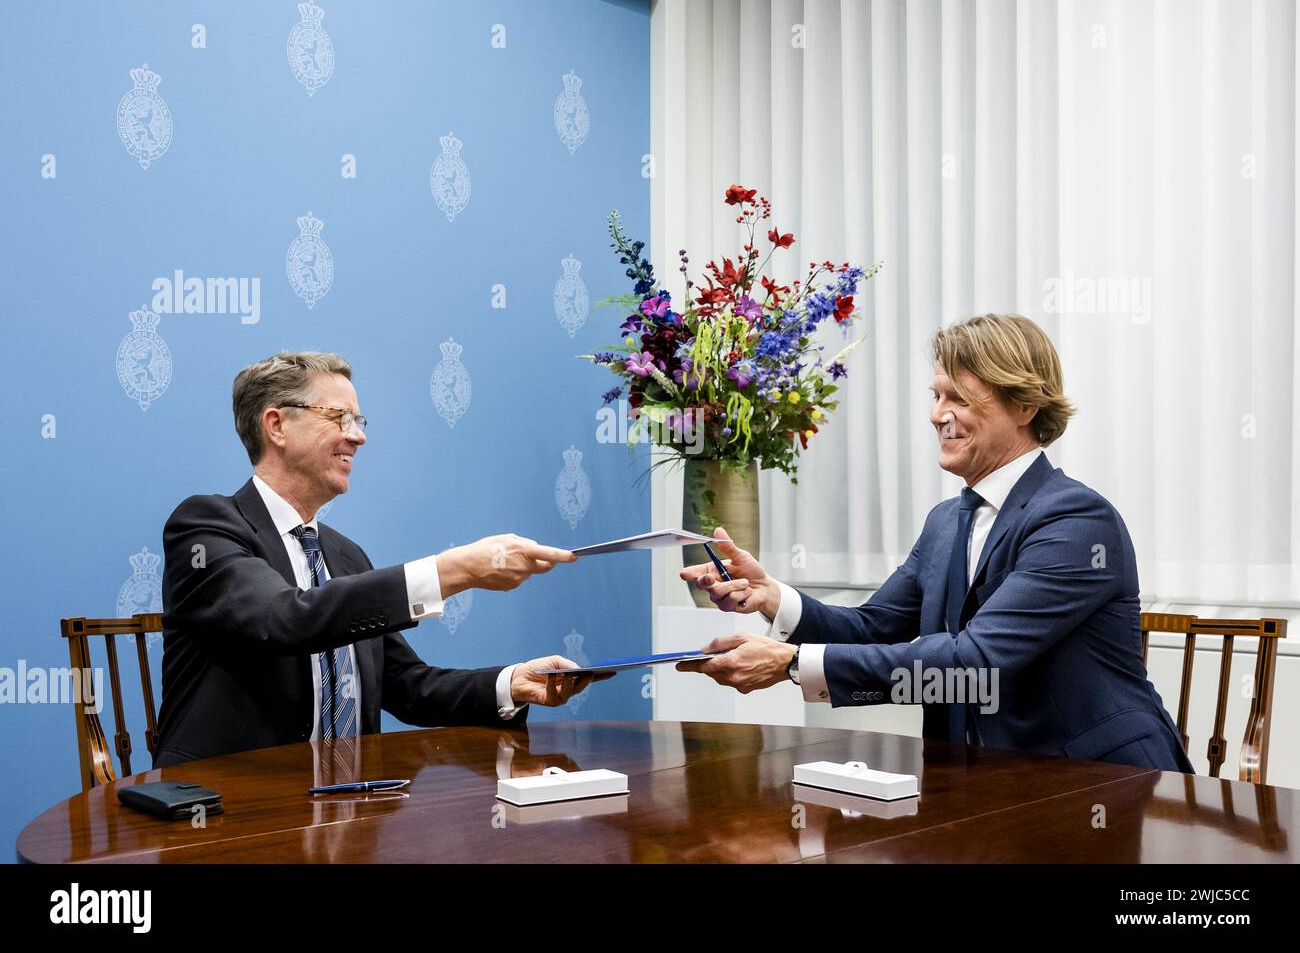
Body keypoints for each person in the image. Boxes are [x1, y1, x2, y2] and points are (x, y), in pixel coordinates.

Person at [678, 314, 1194, 773]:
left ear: (1025, 405)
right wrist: (771, 595)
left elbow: (976, 660)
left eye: (958, 398)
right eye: (936, 395)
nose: (936, 414)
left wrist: (791, 663)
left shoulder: (1078, 521)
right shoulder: (947, 521)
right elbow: (875, 627)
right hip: (987, 786)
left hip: (1102, 785)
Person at [154, 351, 597, 766]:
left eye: (359, 420)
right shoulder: (204, 527)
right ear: (277, 425)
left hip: (344, 815)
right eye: (340, 417)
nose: (358, 436)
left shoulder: (346, 555)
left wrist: (511, 683)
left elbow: (408, 687)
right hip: (226, 811)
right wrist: (454, 571)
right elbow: (284, 618)